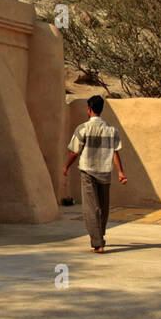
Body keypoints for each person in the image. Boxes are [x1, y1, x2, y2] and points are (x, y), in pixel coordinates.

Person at [63, 95, 128, 252]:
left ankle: (98, 243)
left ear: (89, 109)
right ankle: (100, 235)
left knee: (91, 207)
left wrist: (67, 166)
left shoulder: (83, 128)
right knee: (103, 206)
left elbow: (74, 151)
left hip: (88, 171)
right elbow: (115, 152)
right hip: (105, 171)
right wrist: (120, 172)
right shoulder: (111, 130)